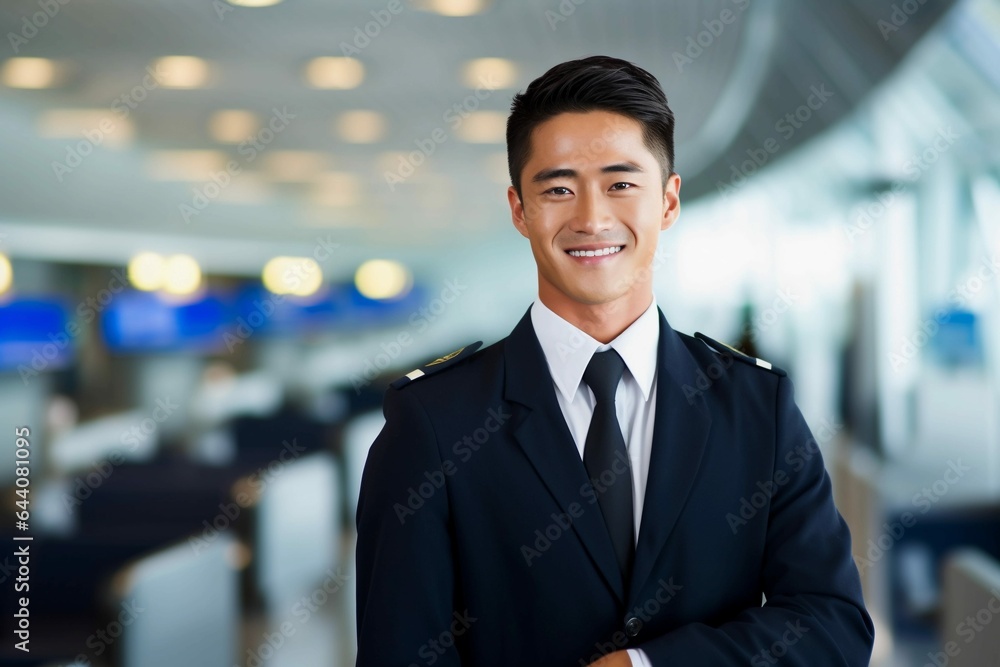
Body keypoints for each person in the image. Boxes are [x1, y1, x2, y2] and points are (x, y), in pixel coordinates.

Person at [355, 55, 874, 666]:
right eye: (558, 188)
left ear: (669, 201)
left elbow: (830, 625)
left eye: (622, 183)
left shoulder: (758, 410)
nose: (592, 218)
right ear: (520, 209)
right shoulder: (435, 422)